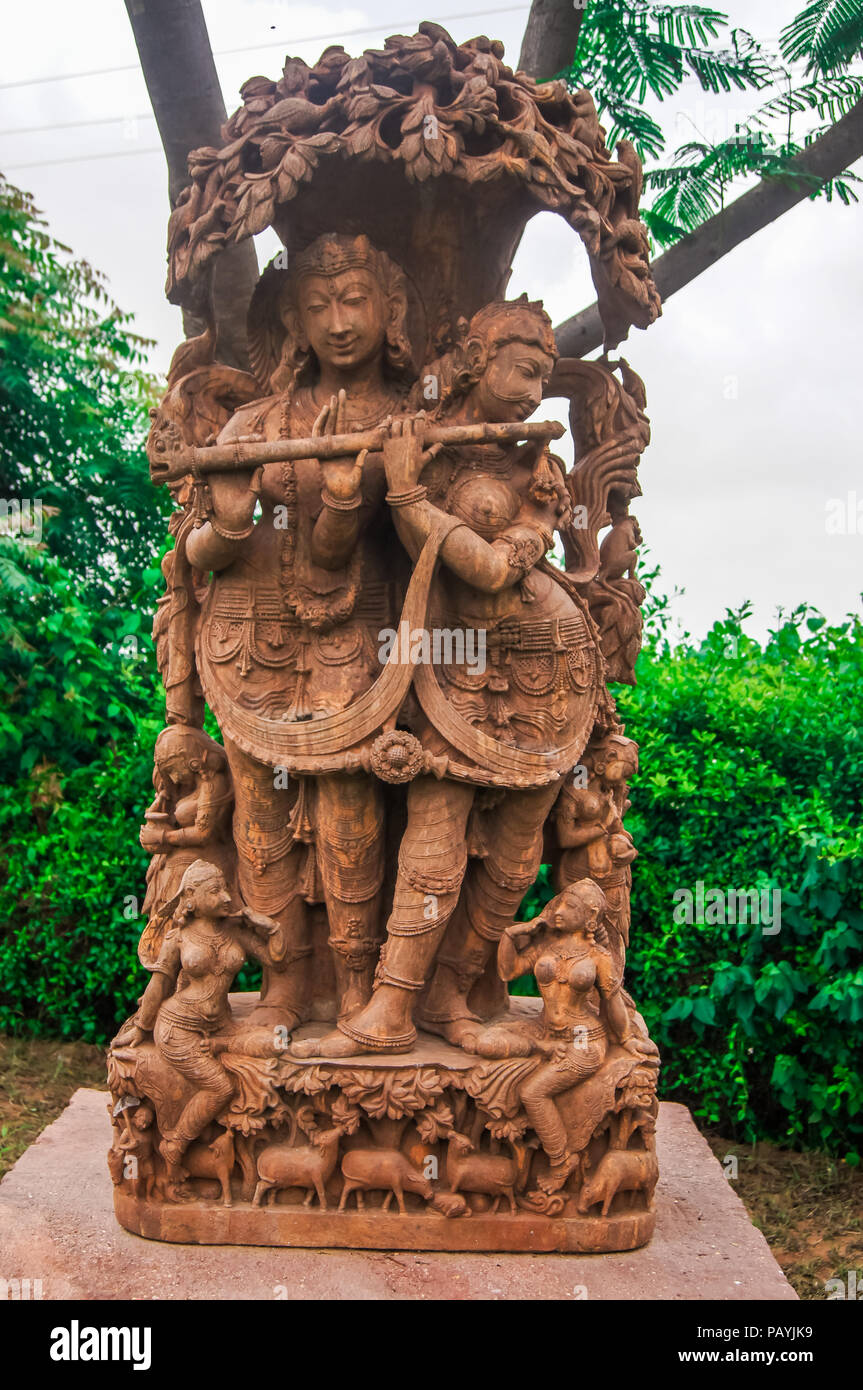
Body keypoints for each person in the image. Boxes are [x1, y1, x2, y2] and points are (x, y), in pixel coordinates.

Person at [295, 298, 607, 1057]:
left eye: (545, 376)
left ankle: (452, 993)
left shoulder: (538, 461)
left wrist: (418, 500)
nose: (535, 391)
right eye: (522, 370)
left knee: (512, 853)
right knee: (435, 834)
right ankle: (388, 1007)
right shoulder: (425, 446)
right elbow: (404, 556)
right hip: (453, 671)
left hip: (549, 674)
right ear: (474, 360)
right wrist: (389, 486)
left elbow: (494, 568)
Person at [185, 233, 416, 1028]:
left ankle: (355, 984)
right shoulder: (254, 421)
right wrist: (226, 521)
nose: (338, 322)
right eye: (317, 307)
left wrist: (359, 496)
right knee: (261, 822)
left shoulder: (407, 422)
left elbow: (410, 543)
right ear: (292, 319)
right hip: (251, 642)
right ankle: (284, 985)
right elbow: (196, 555)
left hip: (356, 643)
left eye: (354, 301)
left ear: (389, 309)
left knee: (351, 817)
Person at [113, 861, 280, 1190]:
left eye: (225, 888)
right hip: (177, 1028)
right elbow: (158, 987)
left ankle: (225, 1056)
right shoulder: (178, 937)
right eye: (216, 890)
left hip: (221, 1026)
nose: (227, 897)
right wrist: (142, 1028)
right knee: (221, 1087)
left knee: (275, 1043)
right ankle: (174, 1145)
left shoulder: (234, 932)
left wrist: (271, 928)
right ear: (190, 896)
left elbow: (276, 959)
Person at [495, 880, 655, 1192]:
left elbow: (613, 1002)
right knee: (488, 1044)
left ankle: (560, 1160)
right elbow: (507, 971)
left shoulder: (598, 957)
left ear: (591, 918)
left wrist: (625, 1039)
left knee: (533, 1093)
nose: (559, 911)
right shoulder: (545, 948)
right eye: (559, 903)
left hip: (584, 1039)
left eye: (571, 907)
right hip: (546, 1034)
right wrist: (512, 933)